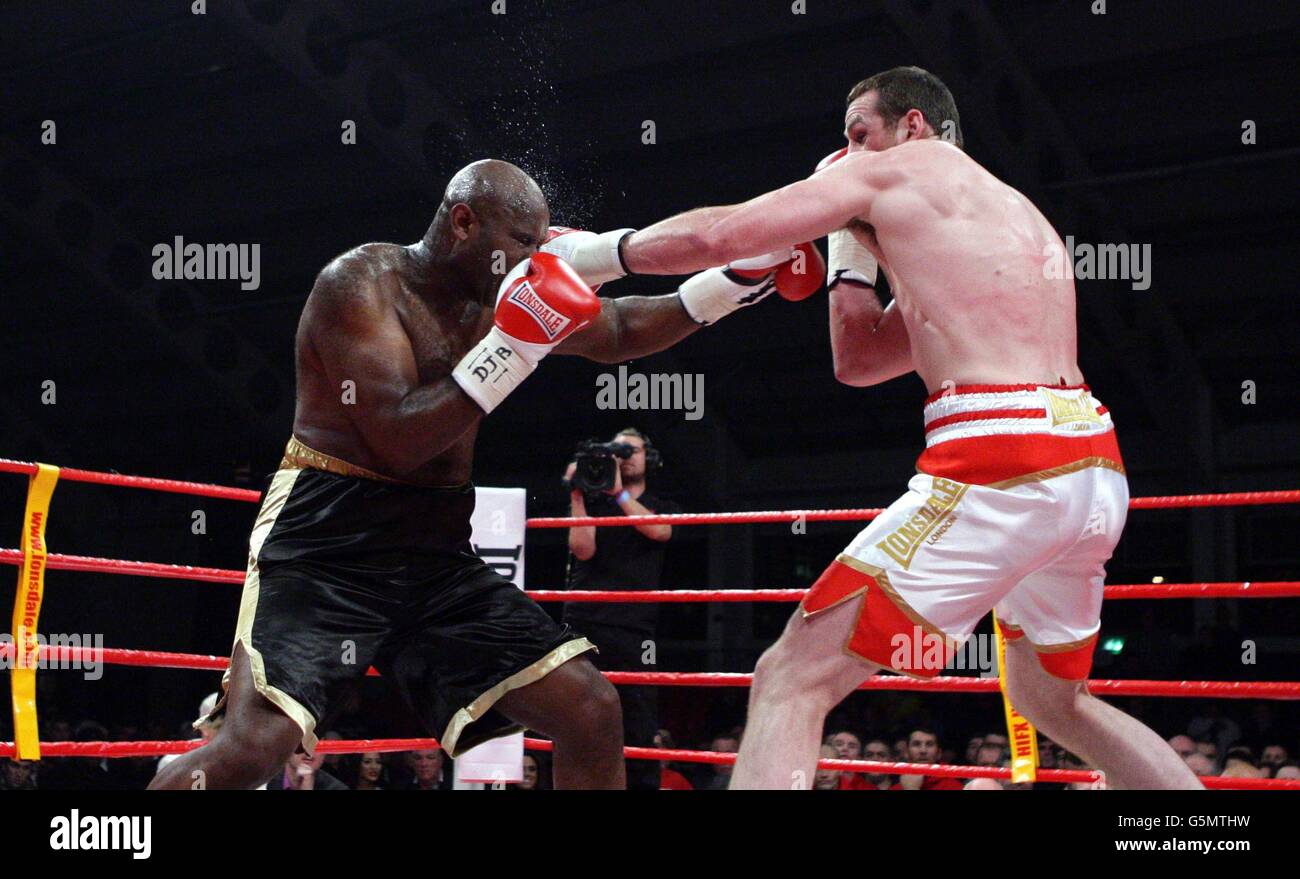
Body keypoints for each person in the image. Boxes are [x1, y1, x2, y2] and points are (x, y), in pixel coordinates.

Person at [561, 66, 1201, 790]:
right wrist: (849, 248)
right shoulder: (1007, 213)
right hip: (1091, 469)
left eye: (859, 134)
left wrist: (592, 254)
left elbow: (723, 233)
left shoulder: (901, 171)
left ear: (914, 126)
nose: (848, 154)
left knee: (789, 677)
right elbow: (860, 358)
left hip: (1002, 457)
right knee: (1055, 700)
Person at [149, 159, 791, 791]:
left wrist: (730, 286)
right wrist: (514, 347)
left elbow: (618, 327)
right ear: (462, 223)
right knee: (257, 747)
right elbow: (398, 439)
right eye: (522, 242)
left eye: (541, 242)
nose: (534, 257)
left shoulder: (498, 295)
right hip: (328, 539)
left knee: (589, 708)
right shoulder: (362, 284)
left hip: (434, 550)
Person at [563, 427, 679, 789]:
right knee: (576, 715)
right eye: (618, 451)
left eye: (633, 449)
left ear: (650, 457)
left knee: (639, 722)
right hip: (585, 620)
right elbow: (583, 549)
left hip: (635, 628)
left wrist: (619, 494)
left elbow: (660, 532)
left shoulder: (662, 505)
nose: (626, 455)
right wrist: (578, 495)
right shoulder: (594, 503)